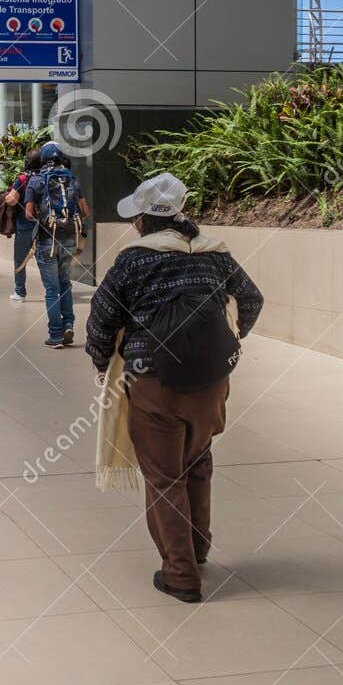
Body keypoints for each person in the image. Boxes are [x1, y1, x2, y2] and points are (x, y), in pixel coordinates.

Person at [84, 172, 263, 604]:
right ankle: (198, 550)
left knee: (165, 476)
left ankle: (181, 573)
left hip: (154, 382)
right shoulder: (214, 254)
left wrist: (102, 361)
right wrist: (231, 336)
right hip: (211, 384)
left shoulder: (134, 260)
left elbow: (102, 316)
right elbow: (252, 299)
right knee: (197, 462)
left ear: (144, 219)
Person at [24, 141, 90, 348]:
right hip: (69, 240)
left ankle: (55, 336)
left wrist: (42, 215)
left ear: (42, 159)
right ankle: (68, 324)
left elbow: (28, 213)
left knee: (52, 289)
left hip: (46, 241)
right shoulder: (72, 179)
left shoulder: (36, 180)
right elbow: (86, 212)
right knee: (65, 284)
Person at [2, 149, 42, 303]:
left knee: (20, 260)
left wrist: (6, 197)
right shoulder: (46, 177)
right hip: (44, 226)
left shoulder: (23, 179)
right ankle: (53, 290)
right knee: (45, 260)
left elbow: (12, 200)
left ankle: (20, 292)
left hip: (25, 226)